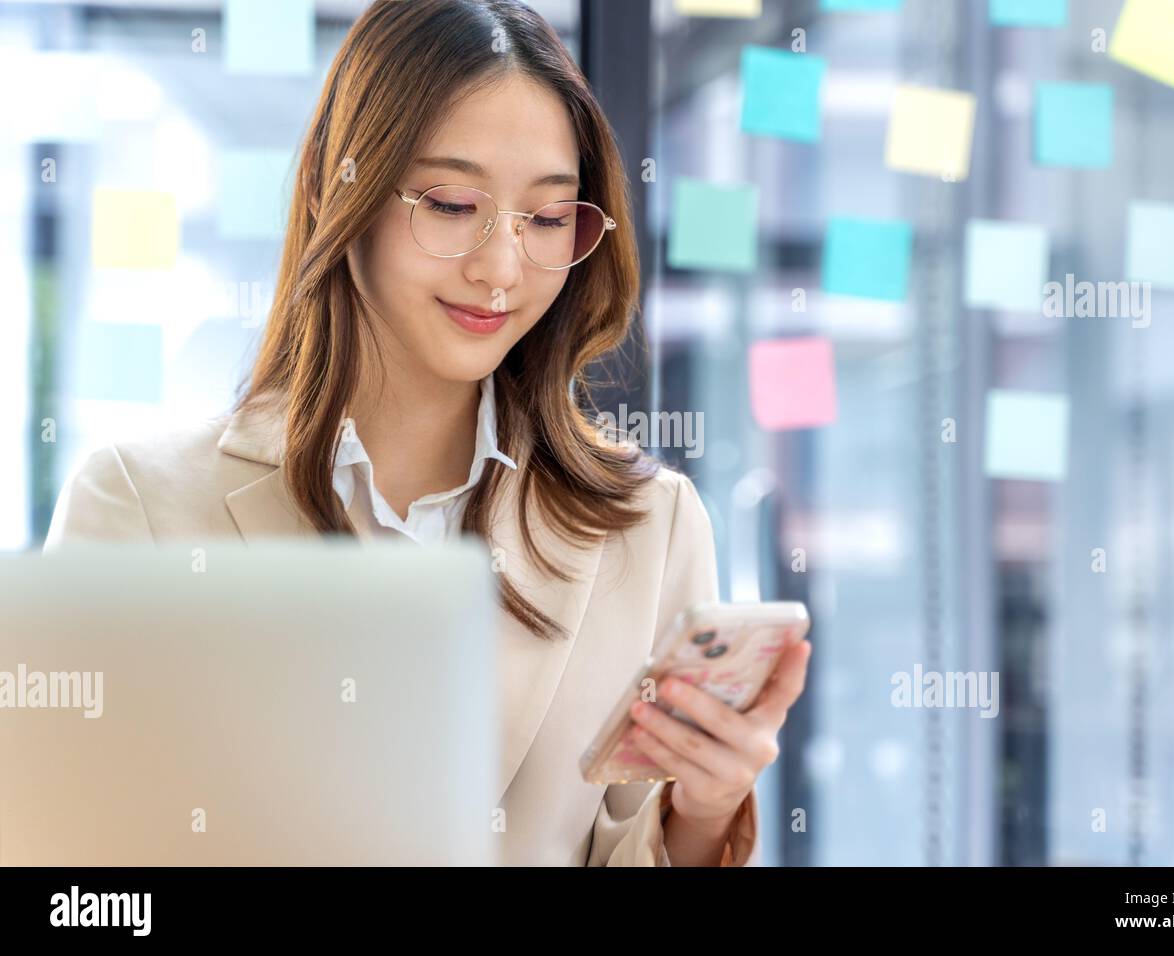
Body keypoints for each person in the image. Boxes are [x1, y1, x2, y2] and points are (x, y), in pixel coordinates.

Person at [44, 0, 810, 866]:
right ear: (346, 192)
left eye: (549, 219)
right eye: (451, 204)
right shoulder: (138, 508)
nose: (500, 266)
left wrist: (705, 812)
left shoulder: (648, 526)